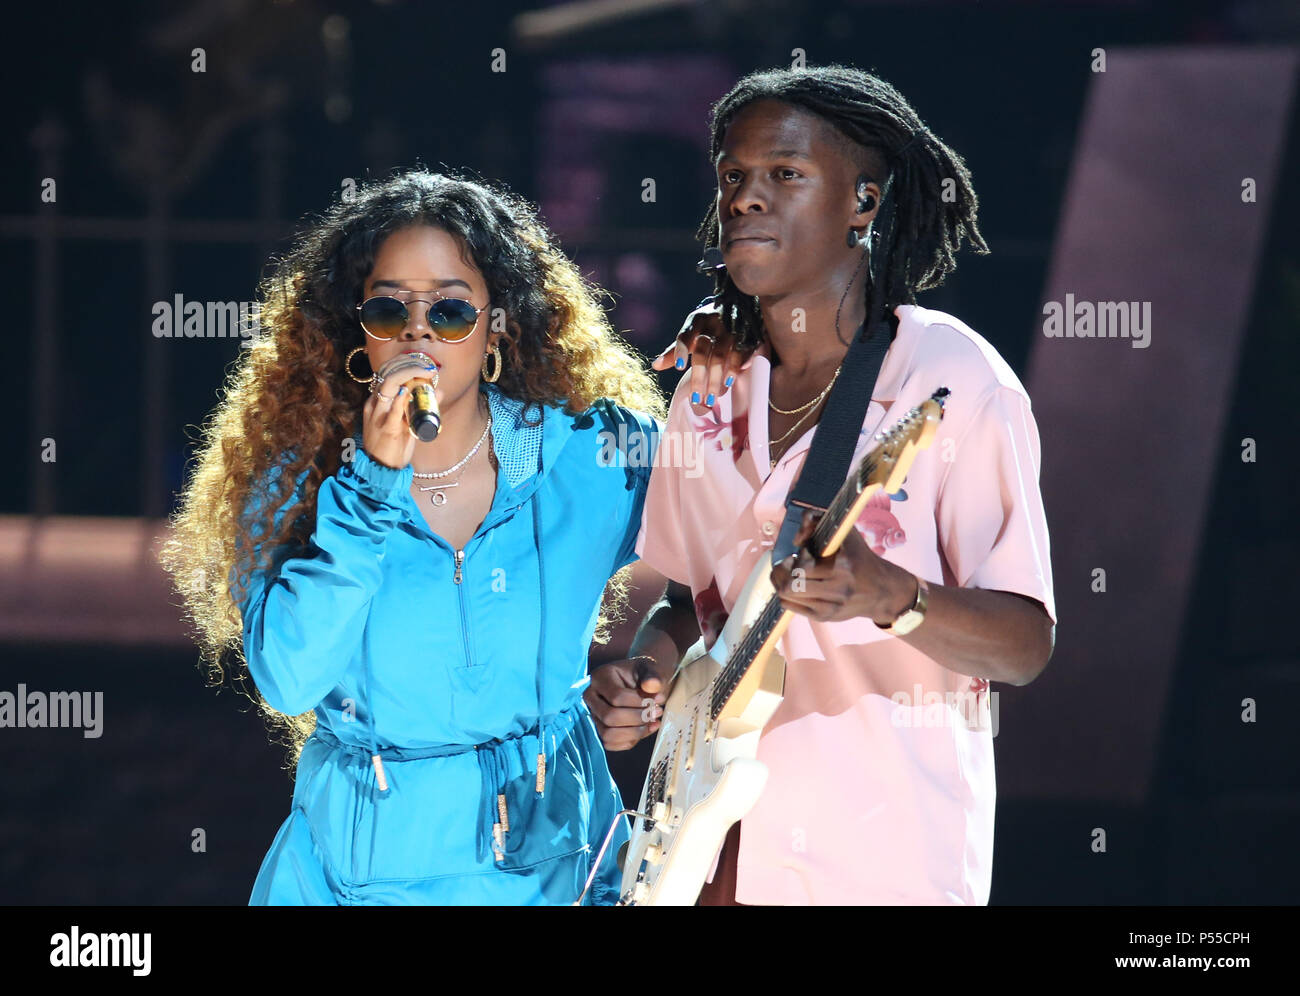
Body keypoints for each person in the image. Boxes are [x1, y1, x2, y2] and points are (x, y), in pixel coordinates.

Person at [160, 168, 734, 904]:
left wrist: (650, 668)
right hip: (358, 879)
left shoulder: (588, 457)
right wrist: (369, 483)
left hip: (560, 869)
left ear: (497, 325)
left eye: (453, 310)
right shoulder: (295, 478)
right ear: (358, 331)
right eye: (388, 308)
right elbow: (289, 678)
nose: (418, 331)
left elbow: (725, 554)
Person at [587, 65, 1057, 905]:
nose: (746, 199)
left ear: (863, 204)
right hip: (710, 856)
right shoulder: (706, 386)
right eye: (733, 176)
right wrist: (643, 677)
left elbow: (1023, 644)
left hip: (882, 857)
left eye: (785, 174)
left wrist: (892, 594)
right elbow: (686, 601)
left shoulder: (952, 378)